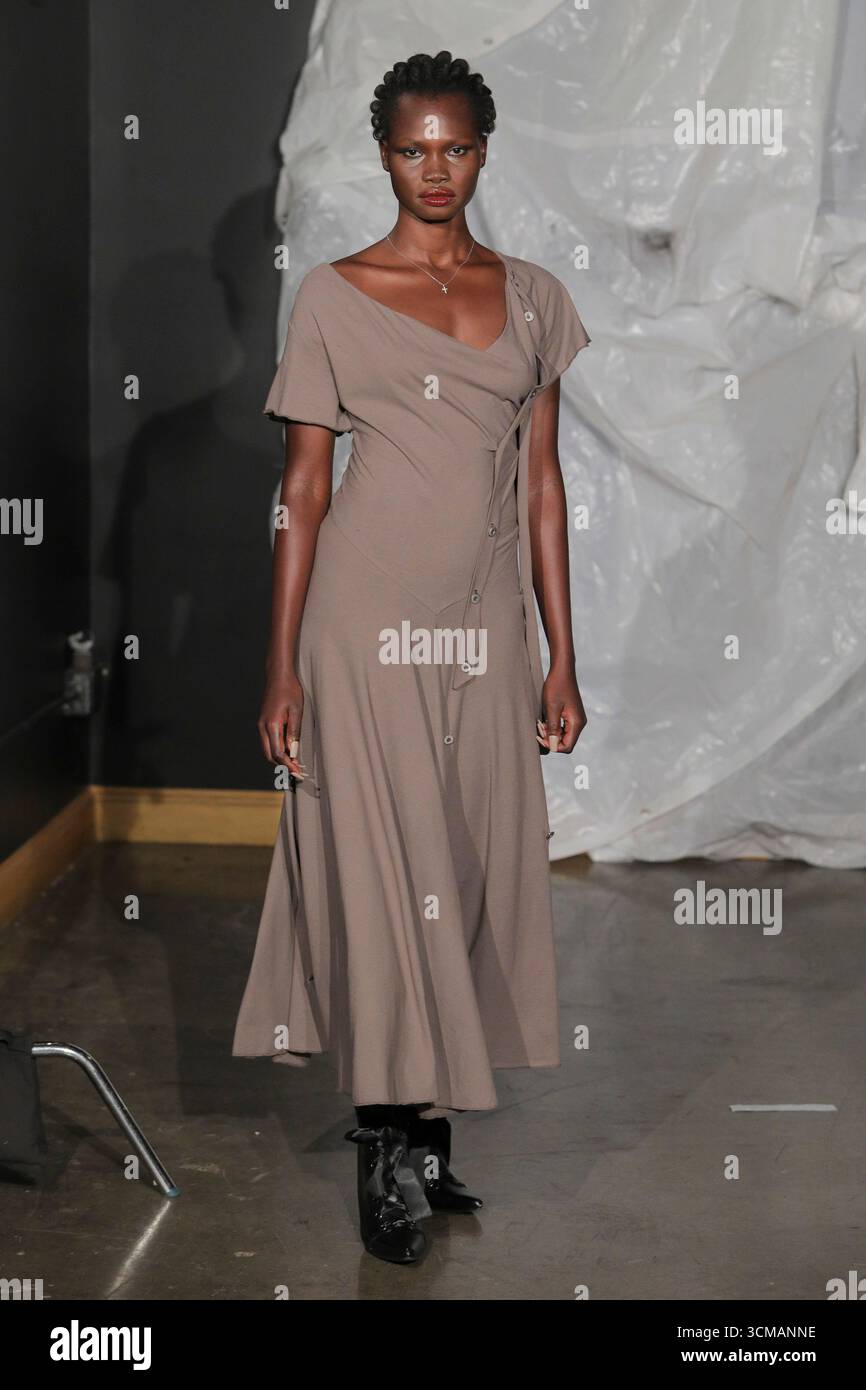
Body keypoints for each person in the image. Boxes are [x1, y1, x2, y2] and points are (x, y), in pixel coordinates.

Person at [233, 50, 591, 1265]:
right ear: (382, 156)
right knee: (384, 873)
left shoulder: (533, 298)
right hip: (363, 624)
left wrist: (560, 655)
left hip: (485, 626)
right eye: (410, 149)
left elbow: (541, 486)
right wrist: (281, 667)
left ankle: (428, 1132)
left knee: (467, 863)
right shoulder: (335, 296)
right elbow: (301, 490)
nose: (433, 170)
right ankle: (384, 1147)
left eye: (454, 147)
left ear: (482, 150)